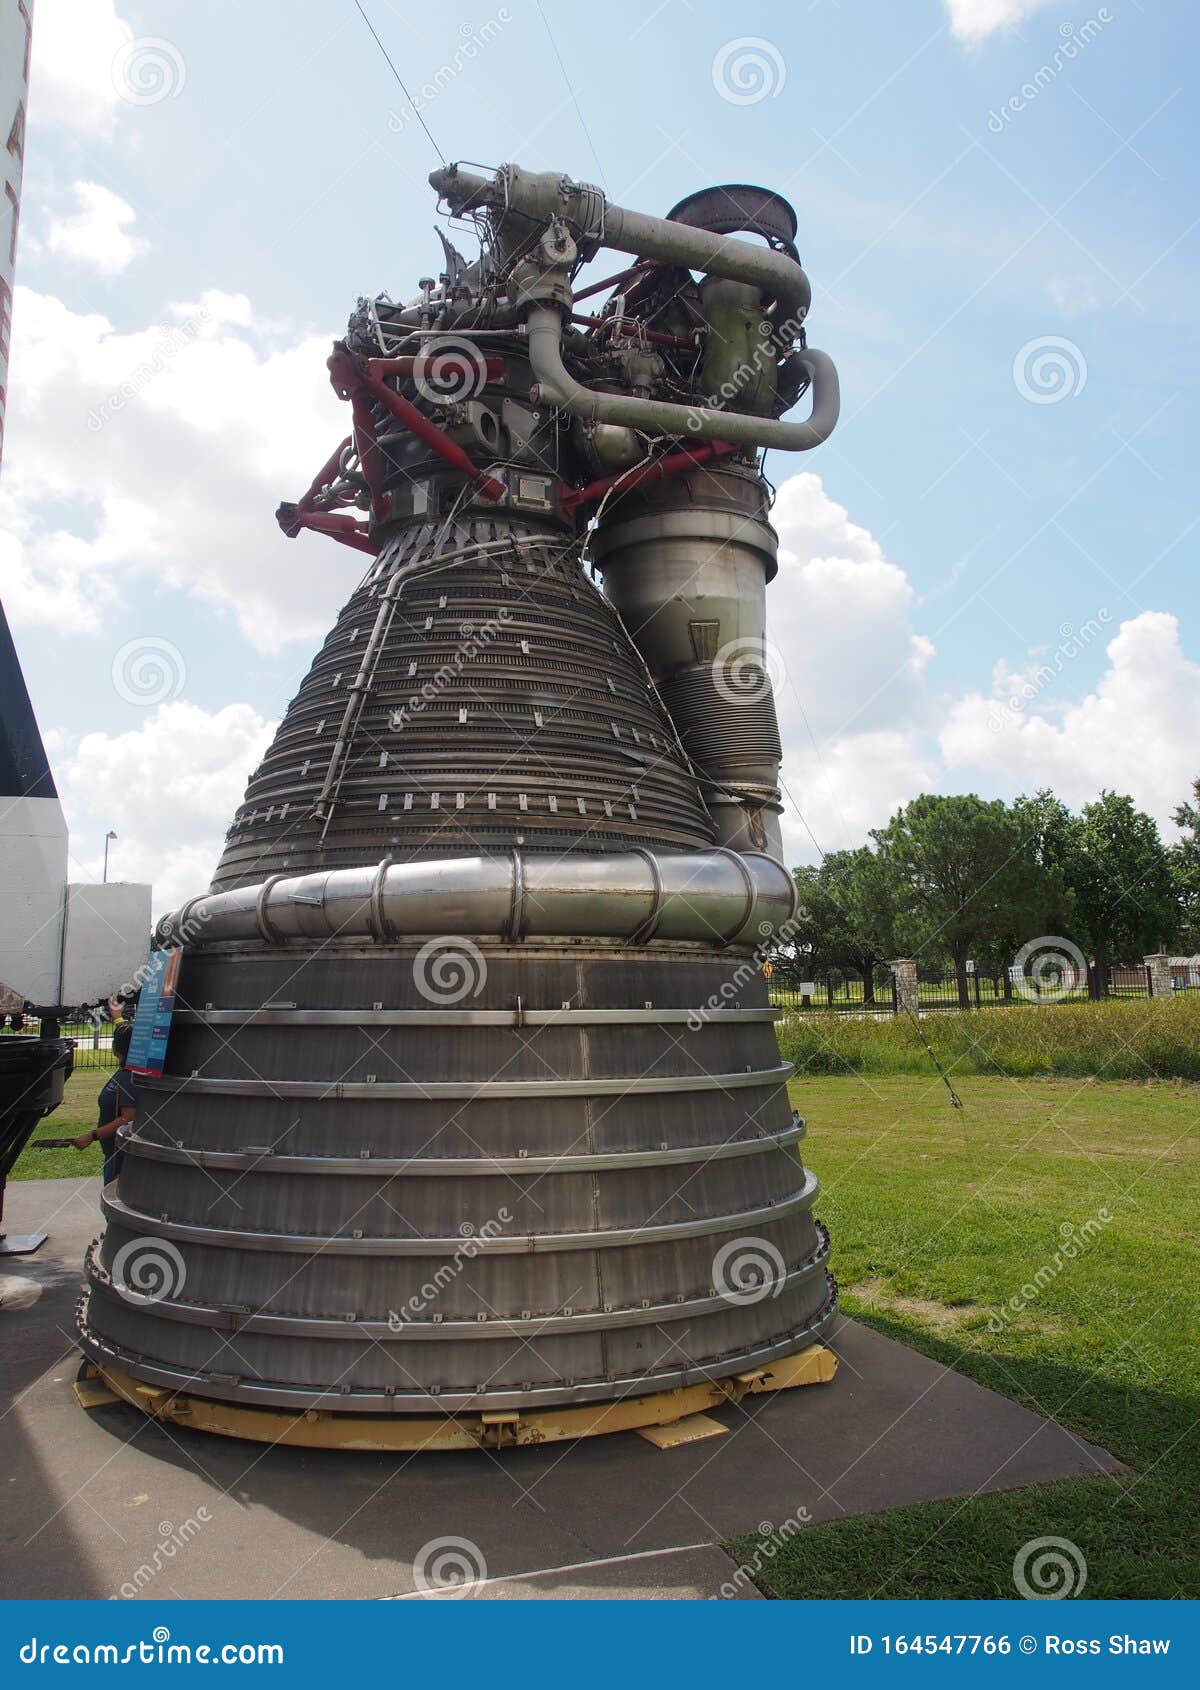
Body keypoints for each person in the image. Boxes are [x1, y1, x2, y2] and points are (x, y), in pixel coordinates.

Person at [74, 1020, 139, 1184]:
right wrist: (117, 1017)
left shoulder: (129, 1077)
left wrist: (92, 1135)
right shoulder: (124, 1072)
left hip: (121, 1158)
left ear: (116, 1047)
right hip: (112, 1153)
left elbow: (128, 1118)